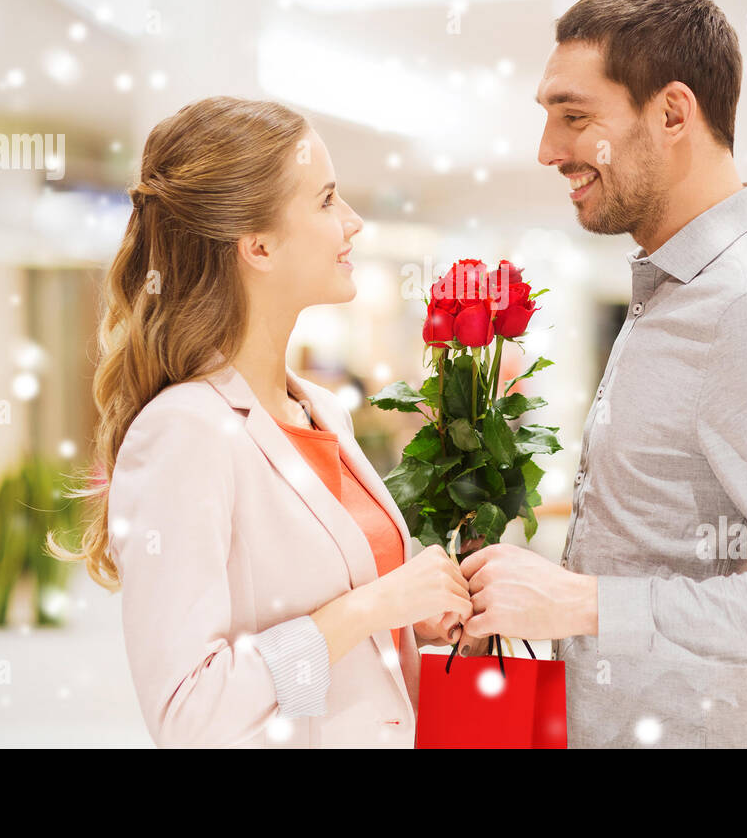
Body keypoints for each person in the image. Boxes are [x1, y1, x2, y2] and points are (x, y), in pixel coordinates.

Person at [457, 0, 747, 748]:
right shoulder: (675, 289)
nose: (548, 150)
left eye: (574, 116)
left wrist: (586, 604)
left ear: (671, 113)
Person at [51, 96, 472, 747]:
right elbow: (193, 719)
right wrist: (370, 609)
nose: (353, 222)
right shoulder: (185, 431)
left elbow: (314, 664)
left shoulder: (321, 410)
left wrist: (406, 624)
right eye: (328, 200)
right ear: (257, 245)